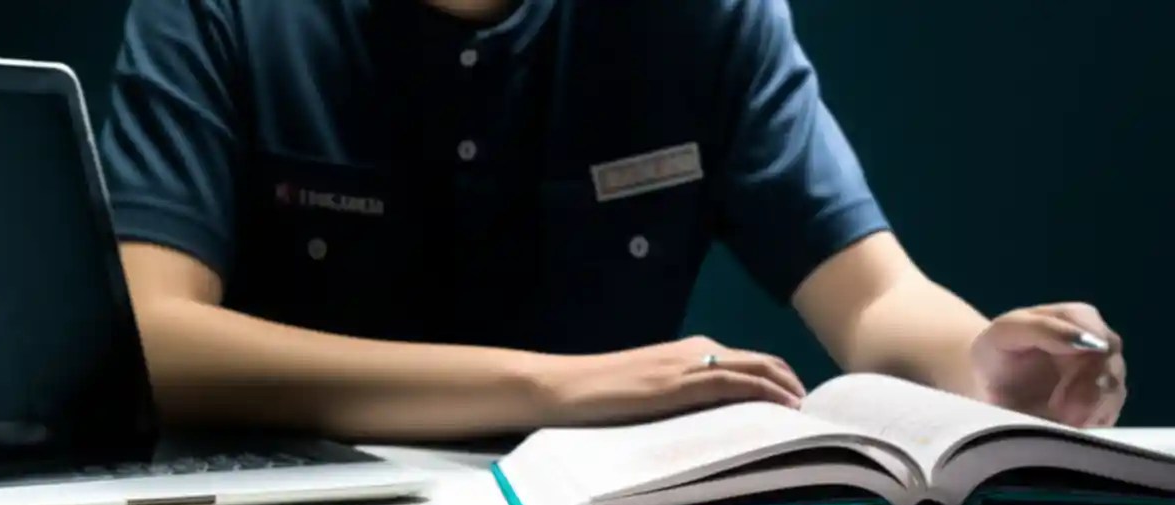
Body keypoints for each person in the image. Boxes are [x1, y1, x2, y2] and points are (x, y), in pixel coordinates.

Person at [99, 0, 1127, 442]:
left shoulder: (702, 18)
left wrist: (984, 363)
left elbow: (874, 294)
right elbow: (152, 335)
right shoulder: (220, 11)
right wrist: (553, 386)